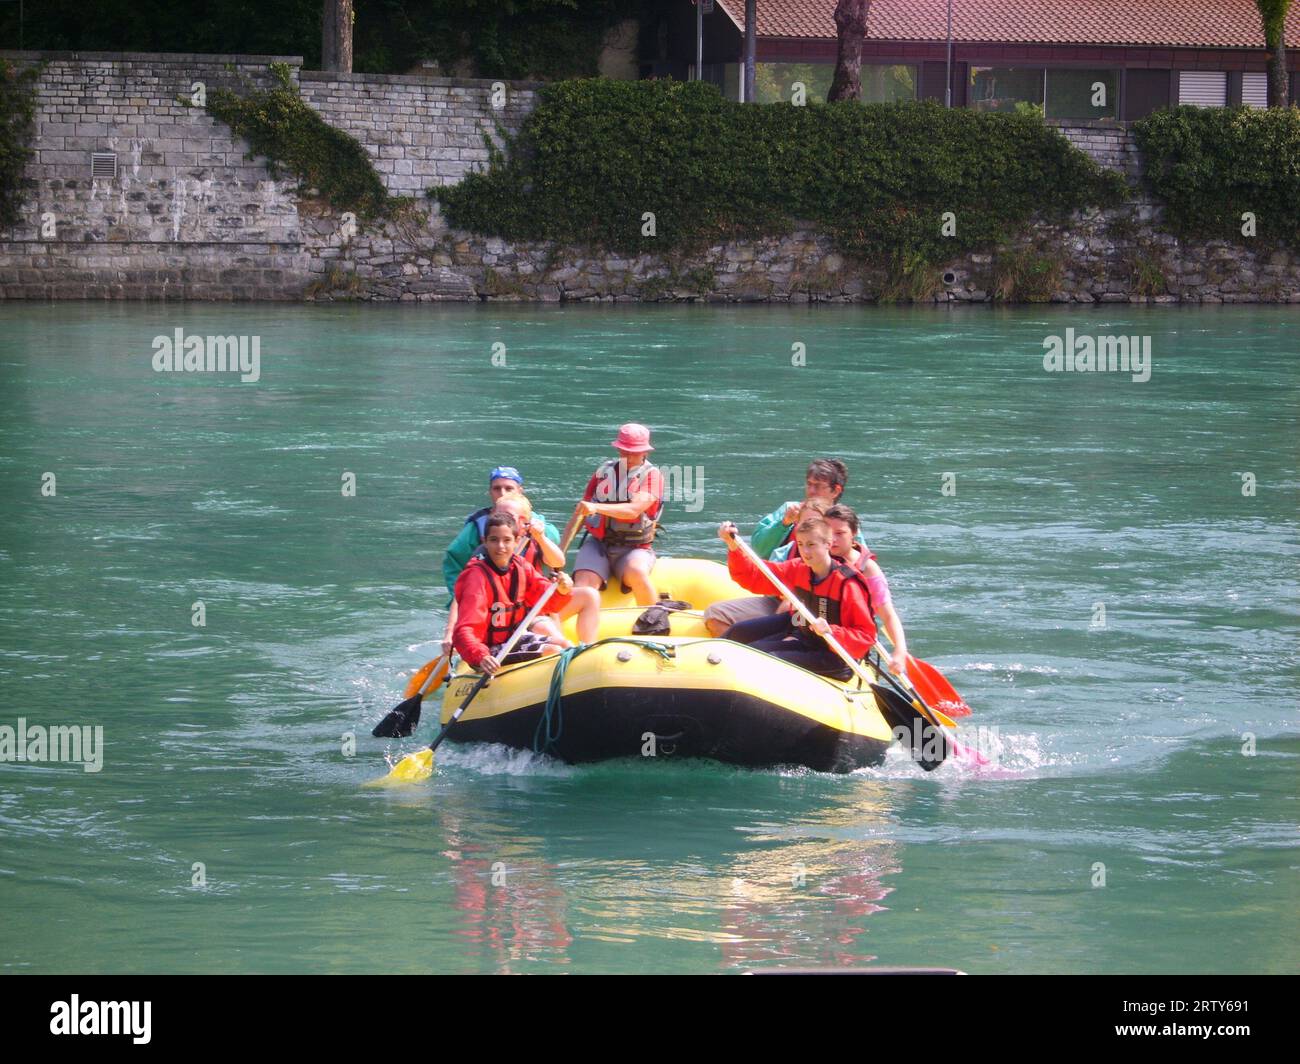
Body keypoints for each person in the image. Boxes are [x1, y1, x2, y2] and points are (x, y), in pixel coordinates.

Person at [704, 459, 859, 636]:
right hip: (783, 596)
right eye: (809, 484)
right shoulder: (791, 518)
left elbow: (853, 571)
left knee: (790, 618)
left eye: (818, 486)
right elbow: (759, 553)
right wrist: (783, 523)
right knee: (718, 616)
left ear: (835, 490)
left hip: (819, 607)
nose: (811, 491)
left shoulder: (844, 526)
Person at [716, 517, 876, 680]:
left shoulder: (847, 584)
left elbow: (866, 636)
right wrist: (733, 547)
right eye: (800, 544)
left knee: (766, 659)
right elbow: (754, 576)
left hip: (835, 657)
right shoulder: (799, 568)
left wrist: (832, 631)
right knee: (745, 640)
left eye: (811, 545)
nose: (805, 552)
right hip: (805, 638)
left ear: (828, 544)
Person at [441, 495, 599, 654]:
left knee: (588, 596)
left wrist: (541, 537)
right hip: (503, 619)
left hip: (533, 608)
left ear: (523, 521)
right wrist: (450, 631)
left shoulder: (532, 543)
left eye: (508, 517)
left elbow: (558, 562)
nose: (501, 520)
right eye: (497, 515)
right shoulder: (486, 554)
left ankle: (585, 652)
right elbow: (465, 594)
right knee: (546, 629)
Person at [453, 511, 575, 675]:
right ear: (485, 542)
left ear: (517, 541)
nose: (501, 547)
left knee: (565, 643)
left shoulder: (520, 566)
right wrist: (480, 655)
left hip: (513, 640)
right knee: (552, 650)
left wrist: (562, 590)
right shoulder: (476, 577)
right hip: (488, 651)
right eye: (494, 540)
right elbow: (464, 630)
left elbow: (548, 603)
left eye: (507, 540)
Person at [572, 423, 664, 607]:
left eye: (634, 452)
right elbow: (580, 512)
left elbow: (634, 510)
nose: (629, 457)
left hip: (635, 548)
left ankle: (655, 618)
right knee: (584, 583)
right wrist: (559, 553)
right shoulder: (603, 472)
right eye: (624, 451)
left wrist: (597, 508)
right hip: (599, 544)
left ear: (645, 452)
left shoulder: (652, 476)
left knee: (637, 572)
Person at [442, 466, 561, 606]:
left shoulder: (536, 524)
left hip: (529, 596)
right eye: (496, 488)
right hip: (492, 598)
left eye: (508, 488)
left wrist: (541, 535)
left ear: (520, 491)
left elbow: (556, 550)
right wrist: (462, 599)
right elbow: (455, 561)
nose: (502, 493)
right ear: (490, 492)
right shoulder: (477, 526)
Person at [823, 503, 909, 676]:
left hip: (846, 641)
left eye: (840, 533)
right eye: (829, 533)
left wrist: (900, 651)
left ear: (853, 534)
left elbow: (888, 614)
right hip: (817, 632)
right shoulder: (819, 558)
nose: (833, 539)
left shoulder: (868, 569)